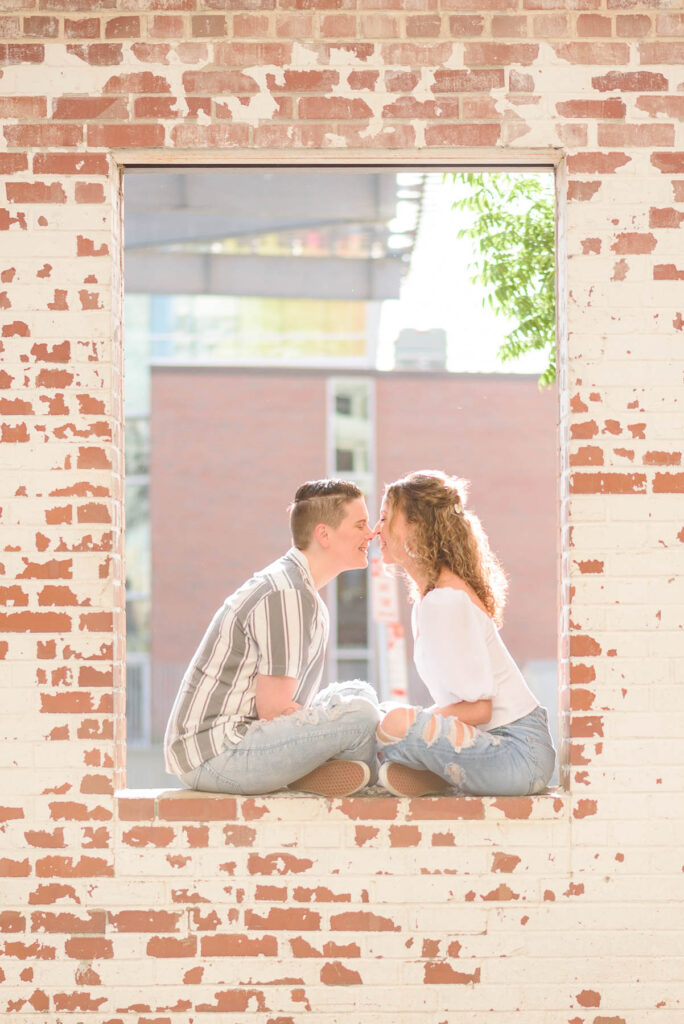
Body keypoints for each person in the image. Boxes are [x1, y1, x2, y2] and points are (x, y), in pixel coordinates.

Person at [164, 479, 380, 798]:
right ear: (324, 534)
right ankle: (379, 780)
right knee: (361, 716)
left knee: (360, 693)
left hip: (245, 741)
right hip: (218, 754)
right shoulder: (287, 593)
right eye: (360, 524)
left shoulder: (300, 590)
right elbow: (275, 710)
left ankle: (320, 772)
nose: (371, 534)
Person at [373, 470, 556, 798]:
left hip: (518, 753)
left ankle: (413, 769)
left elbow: (478, 710)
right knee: (384, 717)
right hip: (503, 746)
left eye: (385, 518)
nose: (376, 529)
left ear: (416, 527)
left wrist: (411, 722)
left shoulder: (445, 601)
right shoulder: (431, 599)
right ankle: (432, 773)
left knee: (390, 726)